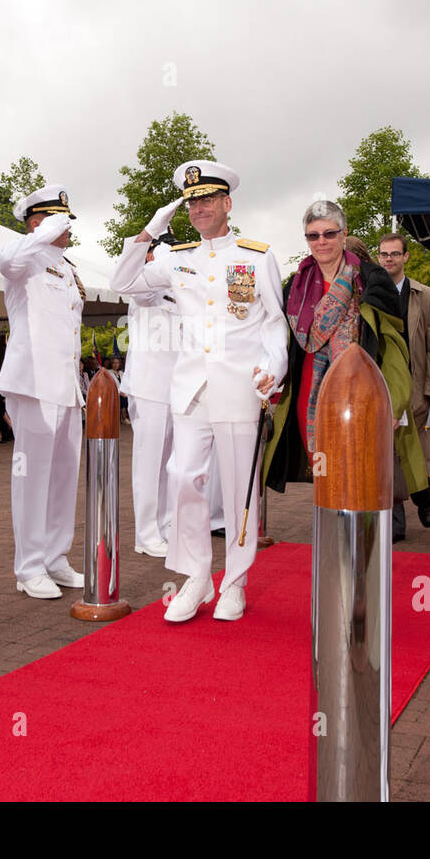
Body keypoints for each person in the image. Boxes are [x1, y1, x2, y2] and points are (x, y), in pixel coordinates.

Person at [110, 160, 287, 622]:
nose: (198, 208)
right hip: (191, 387)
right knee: (184, 477)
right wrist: (150, 231)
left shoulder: (256, 255)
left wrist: (273, 370)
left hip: (239, 386)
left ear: (227, 203)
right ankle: (195, 577)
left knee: (236, 488)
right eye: (191, 202)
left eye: (207, 199)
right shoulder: (176, 255)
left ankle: (235, 581)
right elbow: (123, 282)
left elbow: (274, 322)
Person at [262, 203, 430, 519]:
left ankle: (360, 549)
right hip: (309, 400)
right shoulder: (295, 286)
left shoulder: (371, 280)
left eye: (329, 233)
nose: (321, 242)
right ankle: (335, 543)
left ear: (344, 234)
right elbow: (280, 341)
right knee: (326, 474)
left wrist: (394, 404)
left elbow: (394, 348)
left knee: (358, 473)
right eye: (313, 236)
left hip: (359, 398)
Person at [0, 184, 86, 599]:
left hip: (66, 386)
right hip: (32, 385)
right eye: (57, 220)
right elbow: (7, 261)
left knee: (64, 476)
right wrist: (40, 235)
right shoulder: (25, 258)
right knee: (32, 478)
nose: (67, 228)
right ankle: (29, 565)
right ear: (37, 222)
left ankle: (55, 557)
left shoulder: (66, 268)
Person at [376, 233, 430, 539]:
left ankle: (422, 495)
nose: (388, 259)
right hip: (385, 385)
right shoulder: (371, 295)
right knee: (388, 451)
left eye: (394, 254)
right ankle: (397, 519)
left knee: (410, 450)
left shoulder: (427, 297)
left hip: (416, 387)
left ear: (406, 257)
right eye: (383, 254)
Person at [120, 232, 179, 558]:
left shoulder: (175, 290)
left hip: (175, 387)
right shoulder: (142, 287)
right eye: (161, 254)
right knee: (148, 462)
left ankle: (167, 525)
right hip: (148, 386)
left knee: (170, 463)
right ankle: (146, 533)